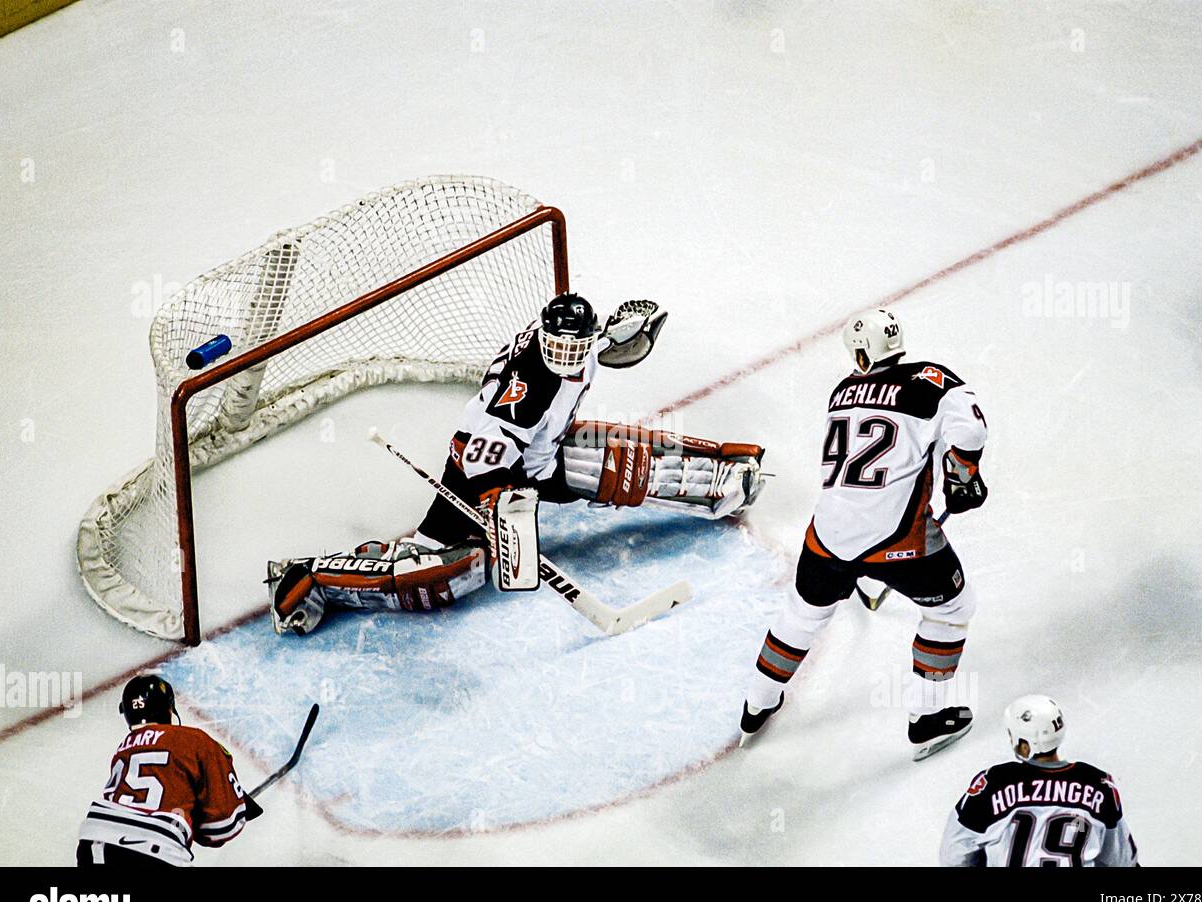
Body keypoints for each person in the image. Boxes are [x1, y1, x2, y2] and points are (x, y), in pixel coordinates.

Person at [269, 294, 766, 635]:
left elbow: (607, 346)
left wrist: (623, 334)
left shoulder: (575, 341)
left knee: (611, 461)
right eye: (559, 348)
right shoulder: (523, 395)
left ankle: (721, 475)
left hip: (536, 454)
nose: (569, 356)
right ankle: (311, 578)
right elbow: (472, 453)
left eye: (579, 346)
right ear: (545, 341)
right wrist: (499, 504)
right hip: (478, 476)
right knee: (449, 573)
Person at [739, 308, 988, 759]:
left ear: (860, 353)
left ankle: (756, 704)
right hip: (900, 544)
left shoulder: (843, 390)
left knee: (800, 615)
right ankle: (928, 718)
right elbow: (970, 427)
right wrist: (963, 473)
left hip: (827, 538)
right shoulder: (931, 382)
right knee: (953, 608)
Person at [77, 675, 258, 866]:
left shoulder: (125, 748)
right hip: (154, 848)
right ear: (169, 710)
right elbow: (221, 827)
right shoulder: (195, 740)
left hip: (93, 841)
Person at [940, 694, 1139, 866]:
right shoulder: (1099, 786)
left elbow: (953, 854)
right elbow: (1122, 861)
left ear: (1026, 746)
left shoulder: (993, 784)